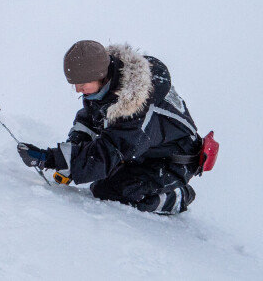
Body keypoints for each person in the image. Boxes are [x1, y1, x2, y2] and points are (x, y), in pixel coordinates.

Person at [17, 40, 202, 215]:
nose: (78, 90)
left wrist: (50, 159)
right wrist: (72, 149)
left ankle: (178, 197)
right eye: (74, 85)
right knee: (101, 176)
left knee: (111, 190)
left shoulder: (136, 106)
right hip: (142, 151)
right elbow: (89, 121)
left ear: (101, 76)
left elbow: (105, 154)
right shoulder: (106, 87)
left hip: (172, 162)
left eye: (82, 85)